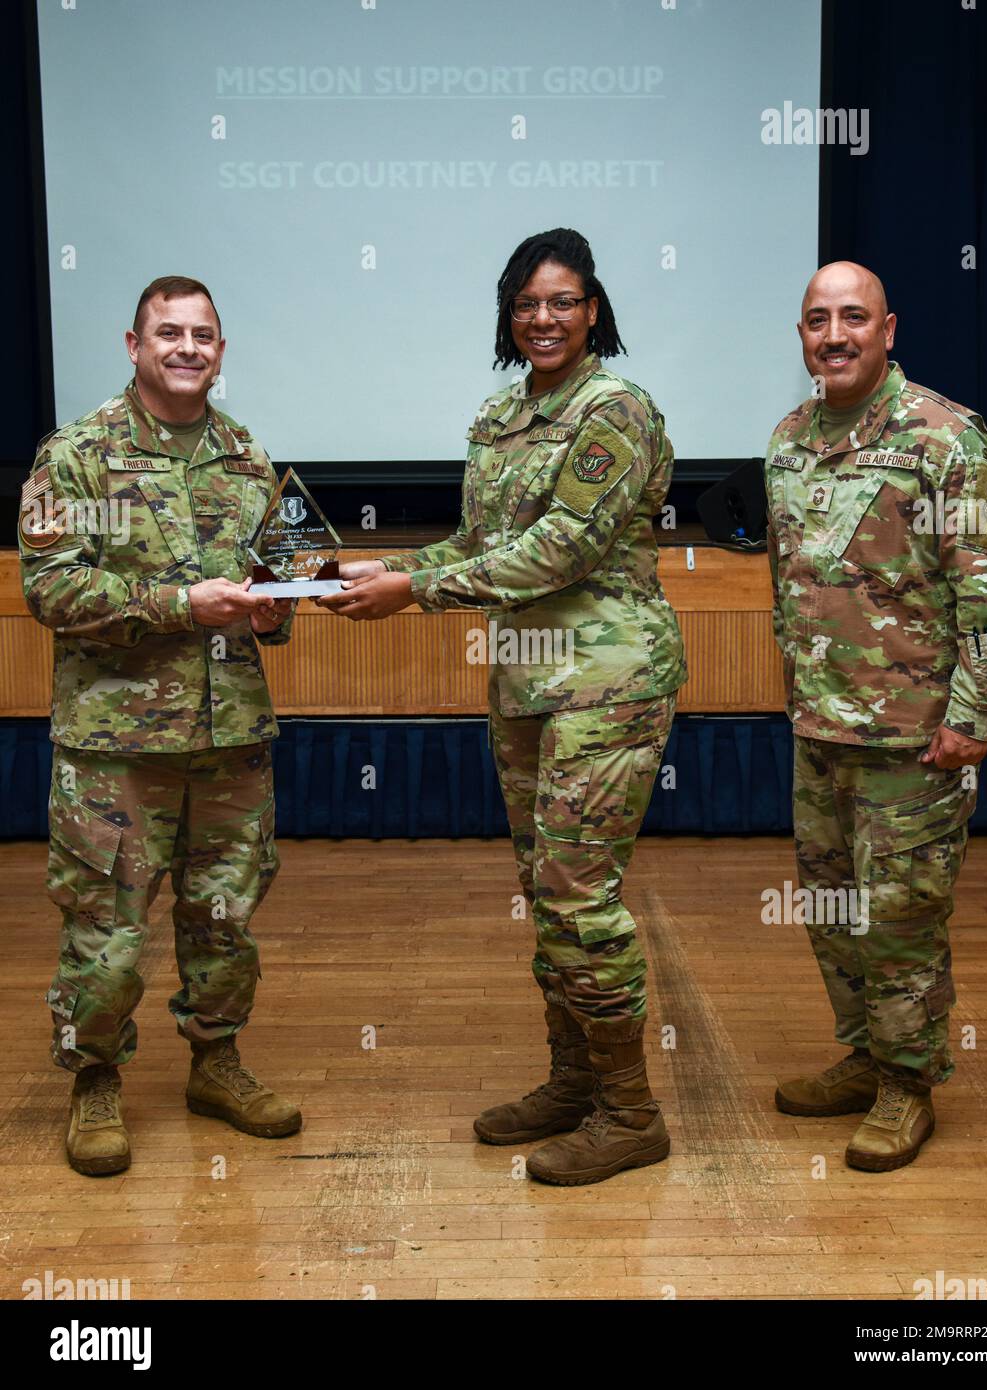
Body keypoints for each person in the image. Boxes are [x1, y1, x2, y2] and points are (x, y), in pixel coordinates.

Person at [319, 229, 687, 1185]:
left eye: (562, 301)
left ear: (593, 310)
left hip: (606, 681)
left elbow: (559, 549)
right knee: (546, 891)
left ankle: (630, 1113)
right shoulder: (499, 417)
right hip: (526, 681)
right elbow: (479, 541)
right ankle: (573, 1084)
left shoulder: (615, 409)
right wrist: (396, 568)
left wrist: (415, 592)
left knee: (578, 893)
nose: (543, 318)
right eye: (526, 303)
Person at [19, 275, 302, 1176]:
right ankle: (94, 1078)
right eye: (168, 333)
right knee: (107, 929)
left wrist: (273, 610)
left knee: (225, 917)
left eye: (204, 335)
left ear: (222, 350)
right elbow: (52, 589)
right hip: (116, 748)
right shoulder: (77, 457)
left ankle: (216, 1063)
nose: (187, 348)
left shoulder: (249, 458)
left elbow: (278, 578)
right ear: (133, 344)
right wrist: (182, 603)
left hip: (230, 740)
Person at [766, 261, 987, 1170]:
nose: (831, 335)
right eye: (815, 320)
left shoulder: (946, 438)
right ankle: (864, 1052)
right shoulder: (788, 439)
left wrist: (975, 717)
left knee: (902, 917)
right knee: (833, 910)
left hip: (916, 737)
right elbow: (788, 584)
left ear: (887, 330)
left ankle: (907, 1083)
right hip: (819, 730)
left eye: (851, 318)